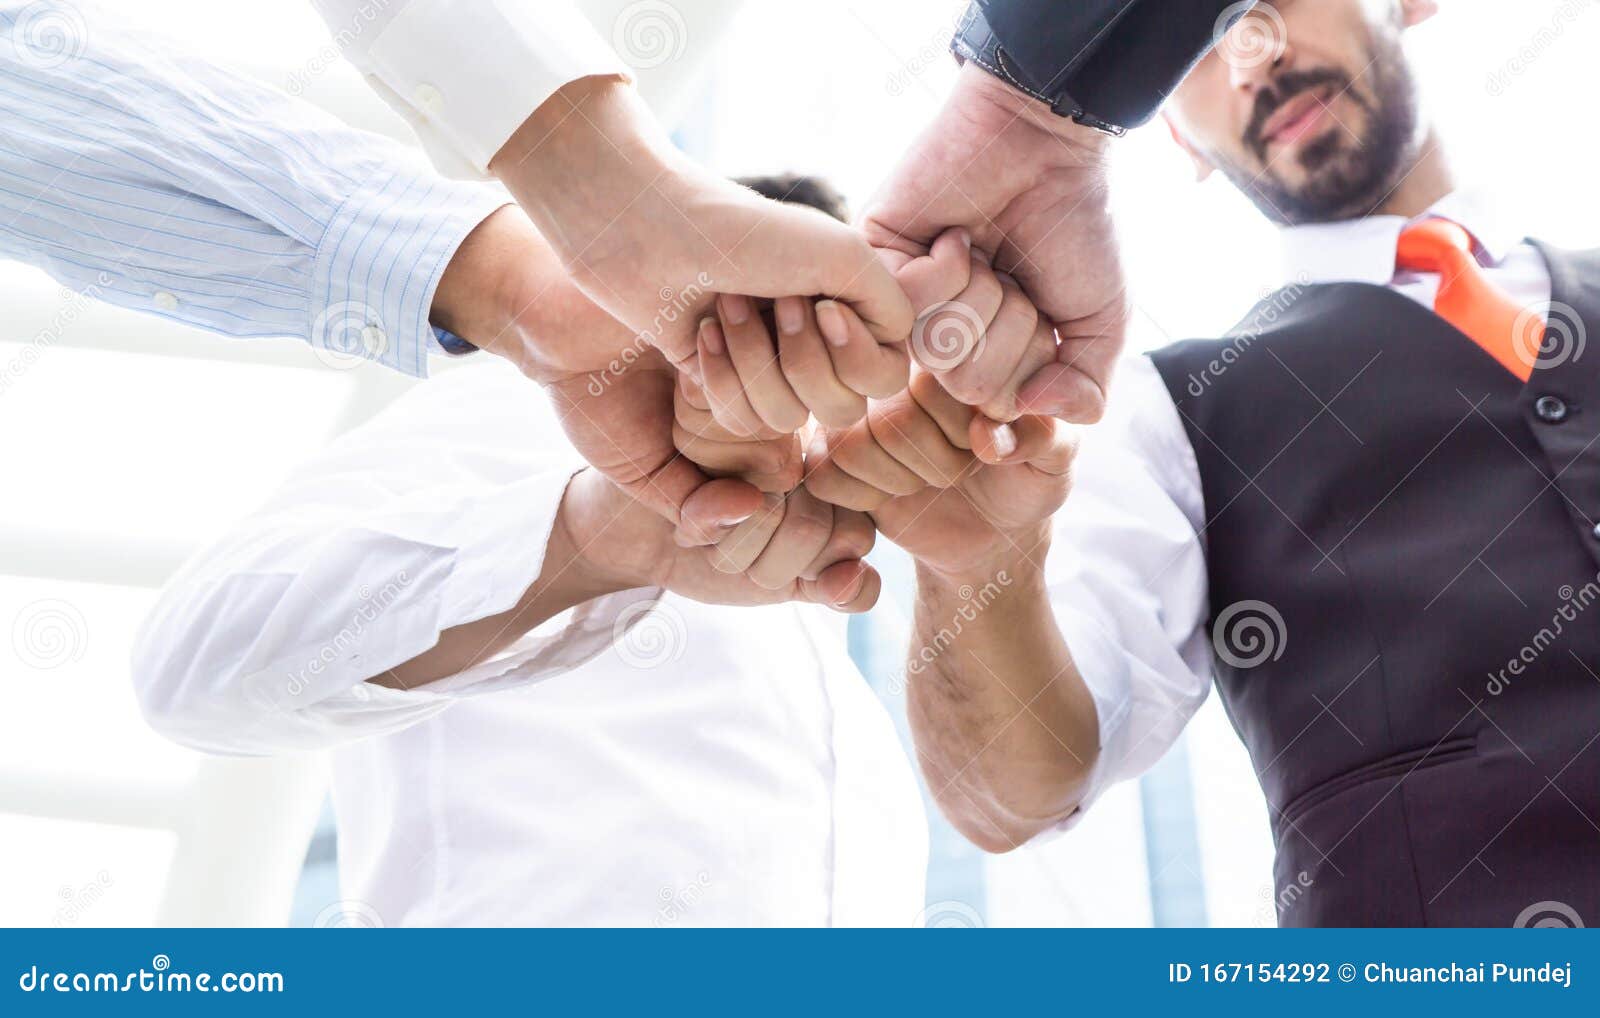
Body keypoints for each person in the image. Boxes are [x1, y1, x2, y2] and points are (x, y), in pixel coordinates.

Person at [835, 0, 1600, 927]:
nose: (1252, 54)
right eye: (1199, 44)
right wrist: (975, 568)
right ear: (1177, 139)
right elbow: (1012, 794)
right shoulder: (1167, 411)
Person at [128, 179, 928, 927]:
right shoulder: (509, 402)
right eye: (795, 319)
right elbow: (194, 662)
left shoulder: (826, 596)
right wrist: (591, 538)